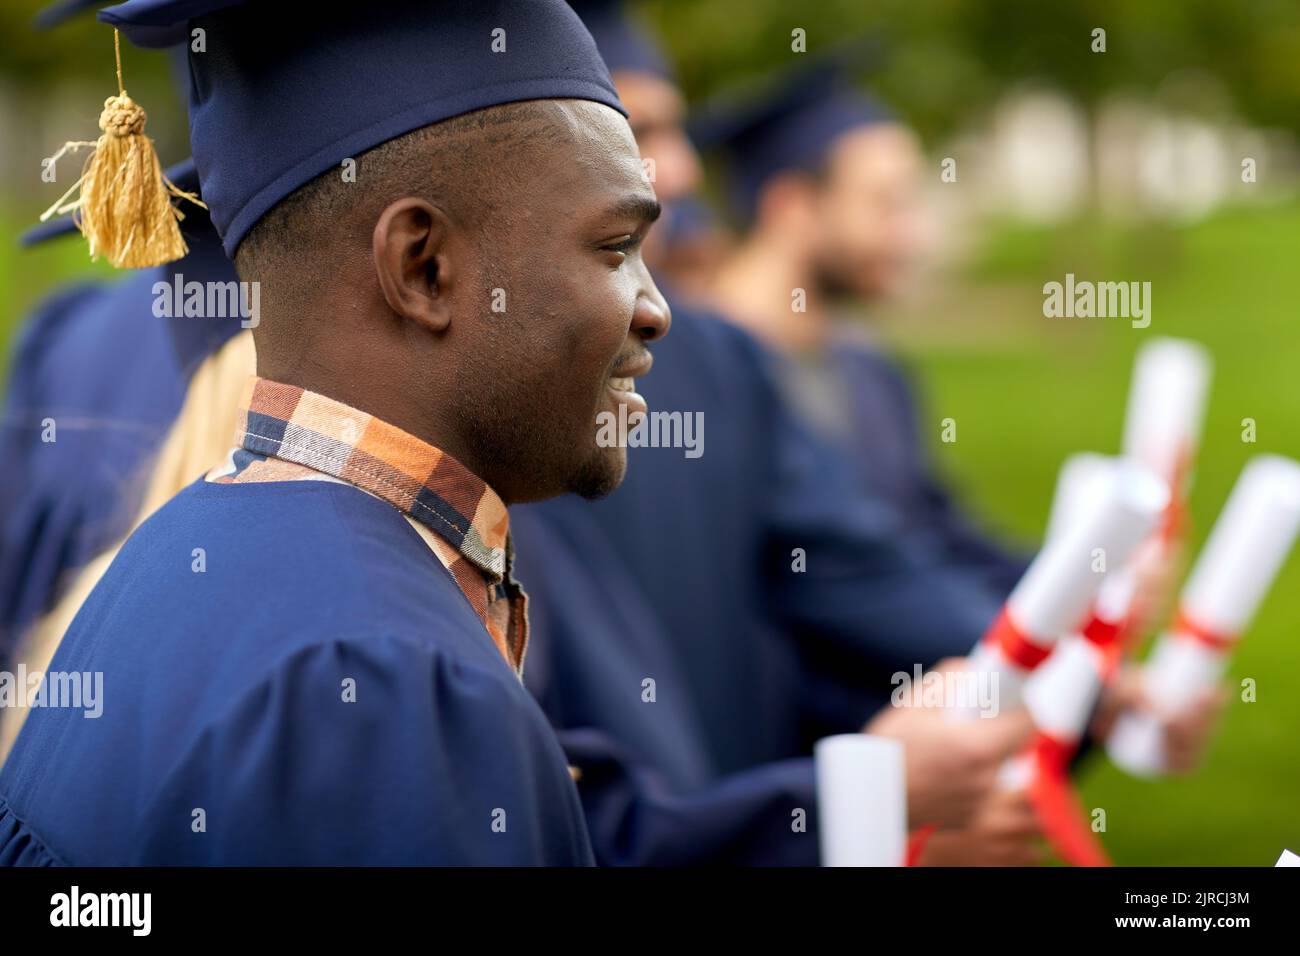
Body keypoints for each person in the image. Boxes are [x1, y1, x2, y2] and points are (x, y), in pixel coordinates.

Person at [0, 0, 668, 865]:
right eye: (615, 247)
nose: (653, 310)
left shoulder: (163, 563)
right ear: (423, 267)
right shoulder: (384, 687)